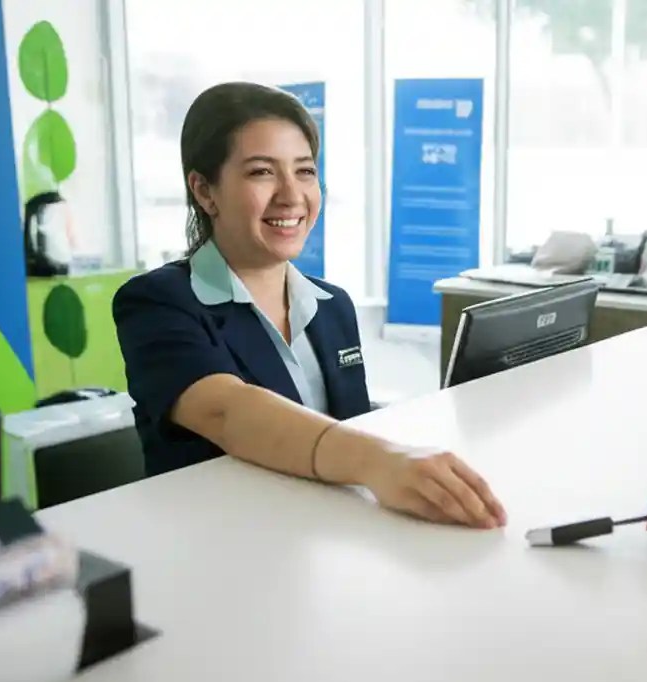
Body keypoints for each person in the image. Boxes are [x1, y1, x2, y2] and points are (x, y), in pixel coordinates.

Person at [113, 82, 506, 530]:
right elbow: (228, 411)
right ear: (205, 191)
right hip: (218, 549)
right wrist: (381, 461)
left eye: (303, 171)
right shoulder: (157, 303)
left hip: (325, 541)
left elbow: (347, 425)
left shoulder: (332, 305)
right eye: (262, 172)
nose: (291, 195)